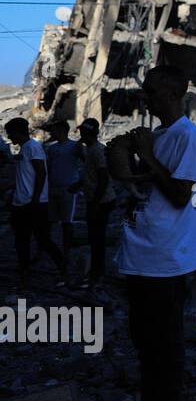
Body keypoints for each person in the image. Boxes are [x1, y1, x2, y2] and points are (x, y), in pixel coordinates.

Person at [103, 66, 196, 401]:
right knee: (145, 343)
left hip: (166, 259)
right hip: (142, 254)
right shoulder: (160, 135)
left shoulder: (187, 136)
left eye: (153, 92)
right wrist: (131, 157)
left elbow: (181, 194)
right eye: (145, 92)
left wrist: (146, 155)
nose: (146, 99)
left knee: (165, 346)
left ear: (174, 94)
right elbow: (143, 184)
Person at [5, 117, 66, 282]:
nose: (10, 138)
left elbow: (41, 173)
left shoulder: (33, 147)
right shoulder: (25, 148)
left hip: (33, 203)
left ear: (18, 133)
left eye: (10, 134)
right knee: (21, 239)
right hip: (21, 202)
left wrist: (36, 199)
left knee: (43, 239)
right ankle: (24, 269)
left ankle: (62, 266)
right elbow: (27, 175)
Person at [71, 118, 114, 286]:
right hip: (96, 199)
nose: (81, 135)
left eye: (84, 133)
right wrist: (78, 184)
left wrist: (96, 203)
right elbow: (91, 173)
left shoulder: (97, 151)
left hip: (101, 201)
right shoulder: (89, 149)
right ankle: (96, 272)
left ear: (91, 134)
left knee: (97, 239)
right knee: (94, 237)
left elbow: (103, 178)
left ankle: (97, 274)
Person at [43, 120, 80, 259]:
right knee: (50, 221)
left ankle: (67, 252)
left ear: (62, 131)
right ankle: (48, 249)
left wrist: (79, 183)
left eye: (55, 130)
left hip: (68, 188)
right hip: (53, 188)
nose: (52, 133)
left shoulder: (74, 147)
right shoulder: (52, 148)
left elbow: (85, 162)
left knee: (67, 222)